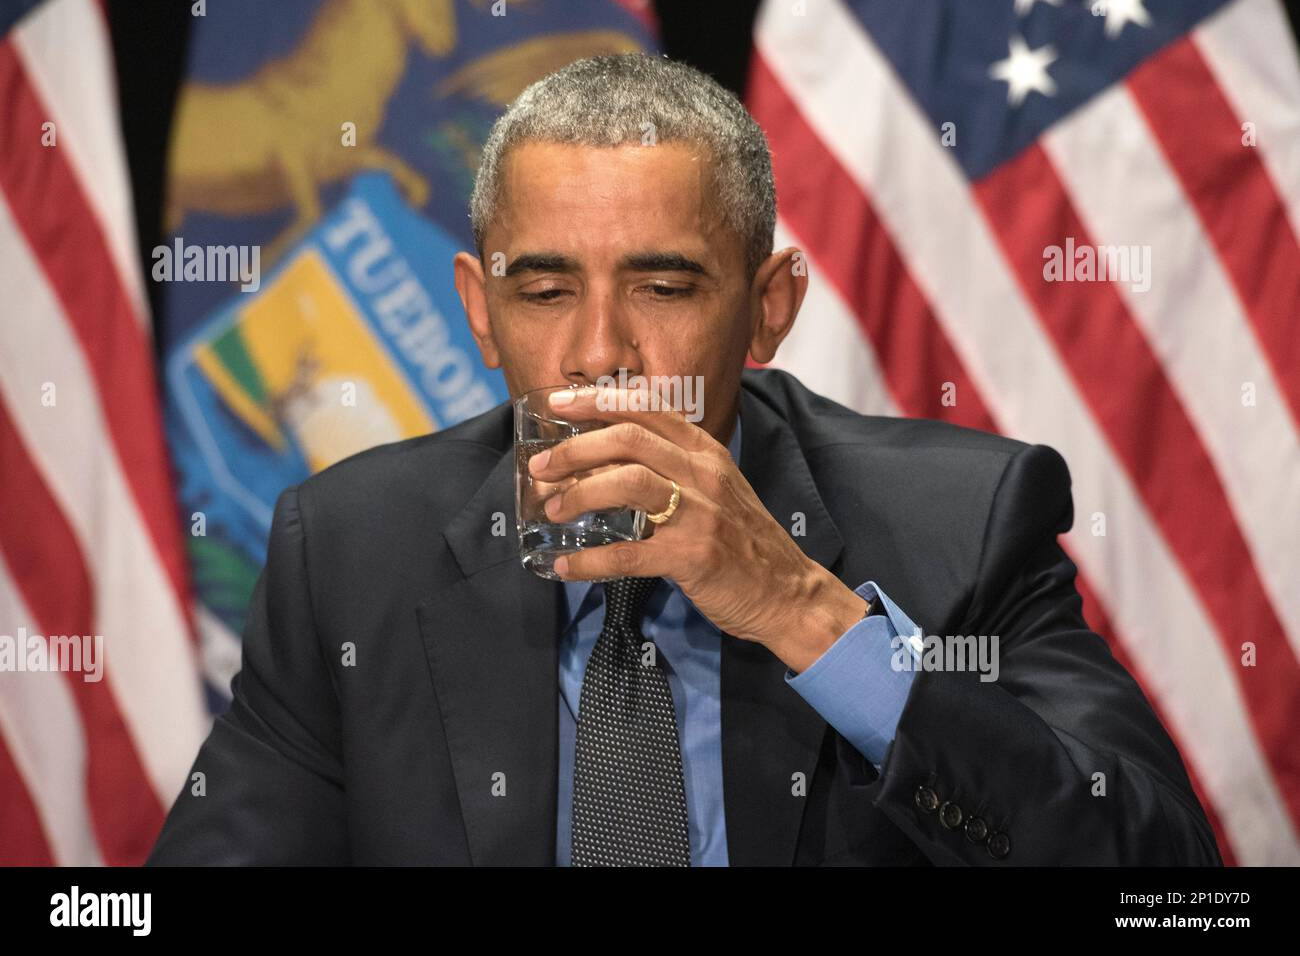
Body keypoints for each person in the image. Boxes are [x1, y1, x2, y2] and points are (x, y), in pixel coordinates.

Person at [148, 52, 1220, 866]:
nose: (599, 351)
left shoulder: (964, 518)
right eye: (544, 289)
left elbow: (1162, 874)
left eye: (662, 288)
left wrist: (807, 613)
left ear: (769, 305)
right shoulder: (347, 548)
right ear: (479, 312)